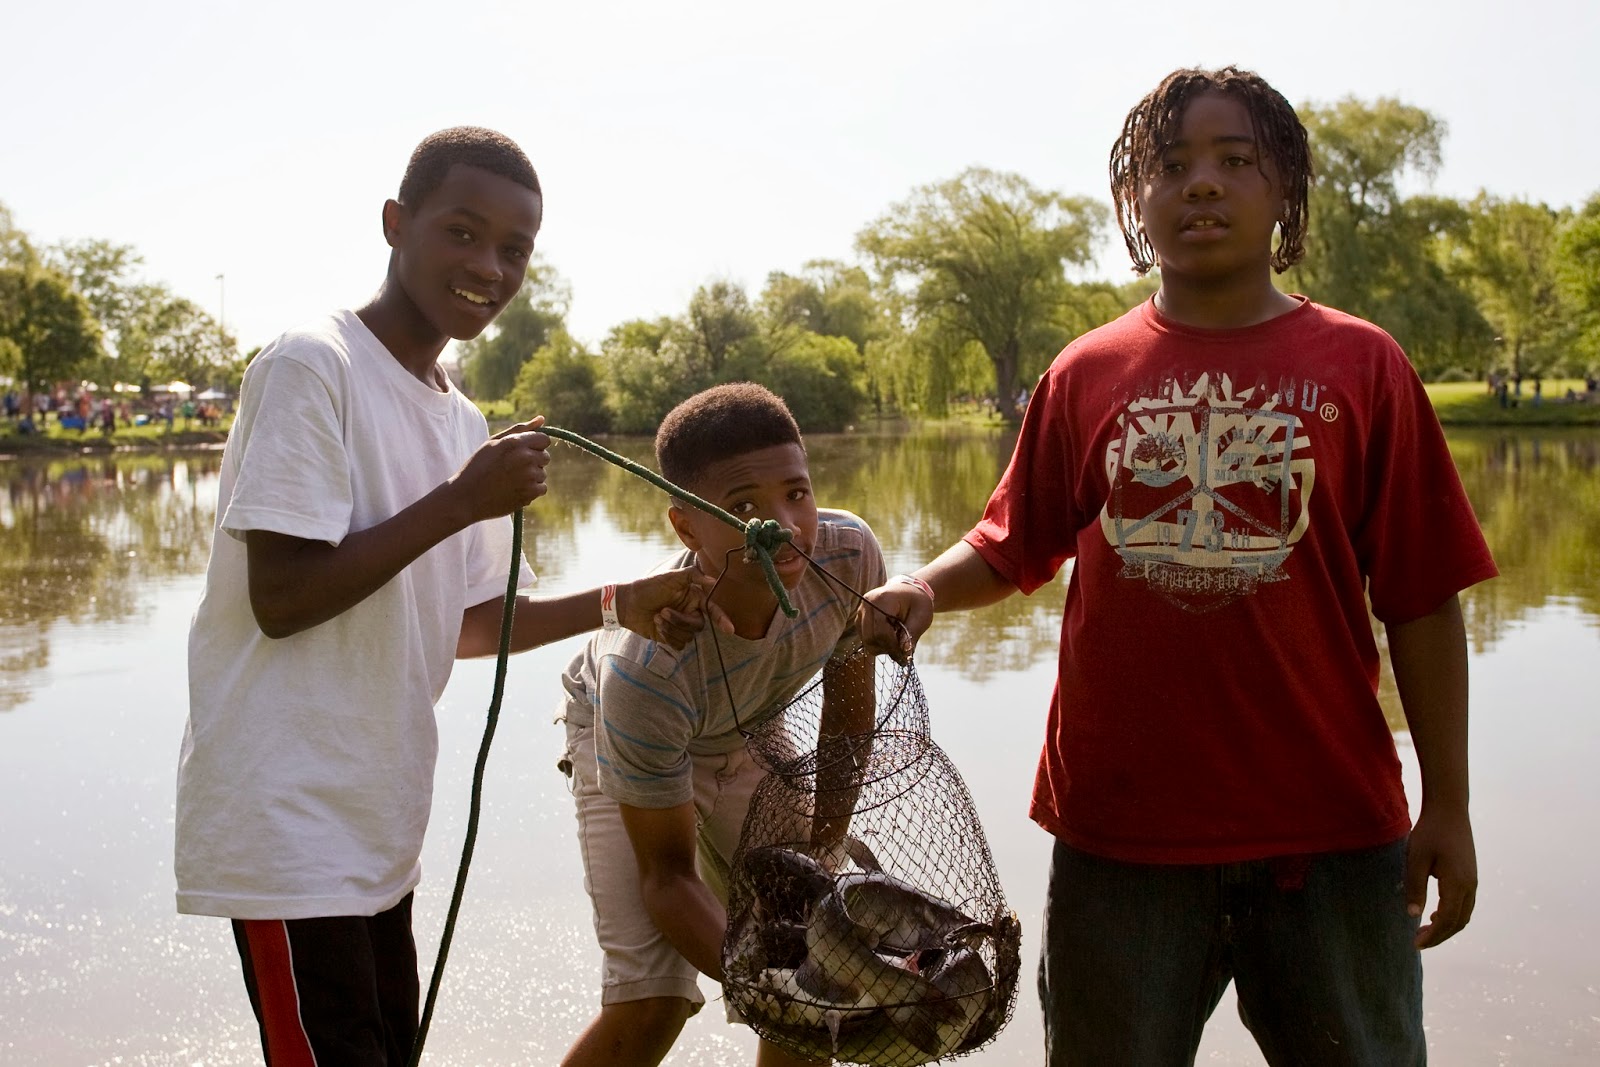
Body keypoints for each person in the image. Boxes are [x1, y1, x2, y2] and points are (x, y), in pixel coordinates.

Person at [857, 67, 1498, 1066]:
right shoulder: (1085, 372)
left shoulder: (1364, 365)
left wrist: (1447, 802)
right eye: (1171, 166)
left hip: (1329, 831)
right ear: (1133, 198)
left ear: (1285, 190)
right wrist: (922, 587)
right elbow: (1010, 540)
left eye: (1235, 160)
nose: (1201, 183)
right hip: (1122, 838)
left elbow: (1421, 599)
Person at [175, 126, 716, 1067]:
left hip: (378, 822)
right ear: (396, 223)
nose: (489, 268)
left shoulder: (461, 418)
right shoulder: (313, 364)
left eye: (515, 249)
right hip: (287, 822)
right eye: (462, 233)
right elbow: (283, 597)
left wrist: (620, 600)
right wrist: (464, 499)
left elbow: (471, 624)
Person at [556, 382, 887, 1067]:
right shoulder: (647, 667)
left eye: (796, 493)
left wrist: (822, 857)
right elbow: (668, 879)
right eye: (743, 507)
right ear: (686, 528)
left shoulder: (847, 557)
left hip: (747, 726)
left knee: (810, 965)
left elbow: (847, 728)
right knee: (655, 999)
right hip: (624, 738)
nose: (784, 525)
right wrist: (765, 984)